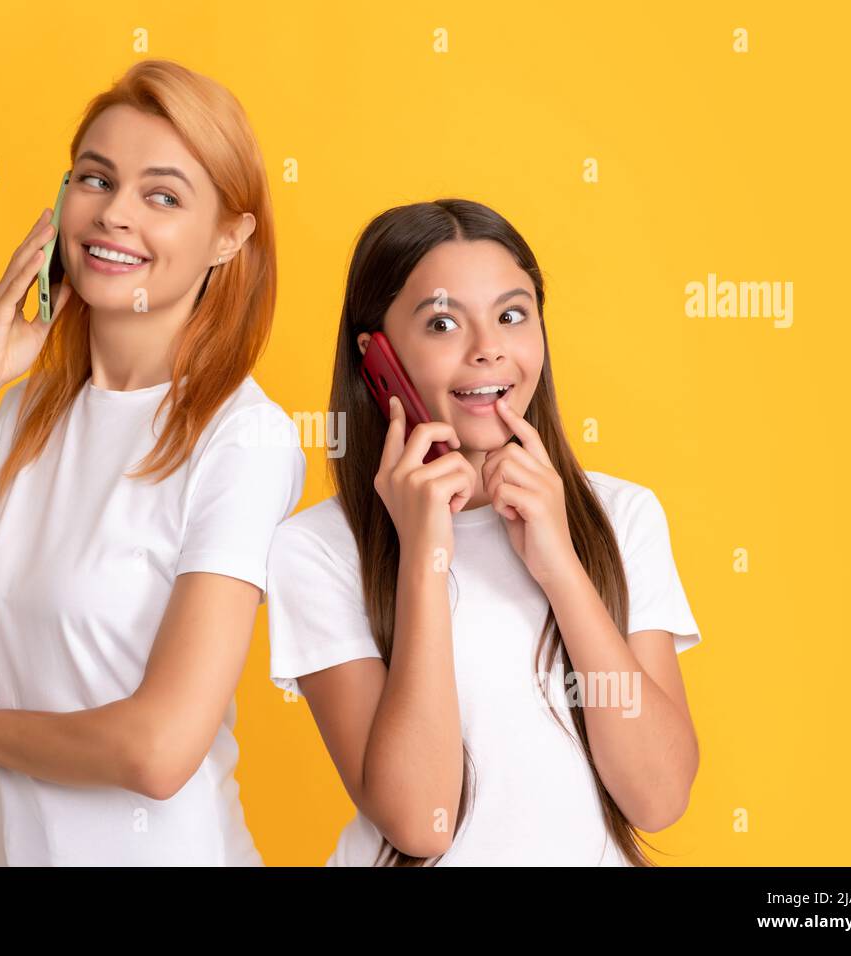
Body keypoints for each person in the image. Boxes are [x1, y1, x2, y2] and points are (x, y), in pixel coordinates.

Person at [0, 59, 304, 865]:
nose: (115, 216)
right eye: (96, 180)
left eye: (163, 196)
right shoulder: (25, 412)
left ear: (228, 236)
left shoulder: (242, 439)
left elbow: (160, 750)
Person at [265, 199, 702, 866]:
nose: (489, 348)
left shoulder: (624, 515)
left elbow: (659, 796)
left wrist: (561, 568)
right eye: (443, 322)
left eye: (511, 315)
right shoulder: (319, 551)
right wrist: (425, 558)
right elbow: (420, 823)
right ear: (376, 355)